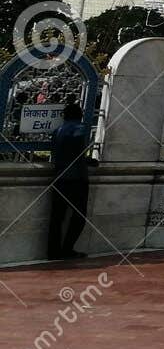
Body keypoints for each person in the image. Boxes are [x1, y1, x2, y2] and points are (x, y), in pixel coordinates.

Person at [47, 103, 96, 260]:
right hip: (77, 178)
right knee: (79, 215)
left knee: (57, 217)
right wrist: (88, 160)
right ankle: (67, 249)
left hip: (59, 177)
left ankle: (53, 252)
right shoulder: (79, 129)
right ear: (81, 115)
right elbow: (79, 151)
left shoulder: (57, 131)